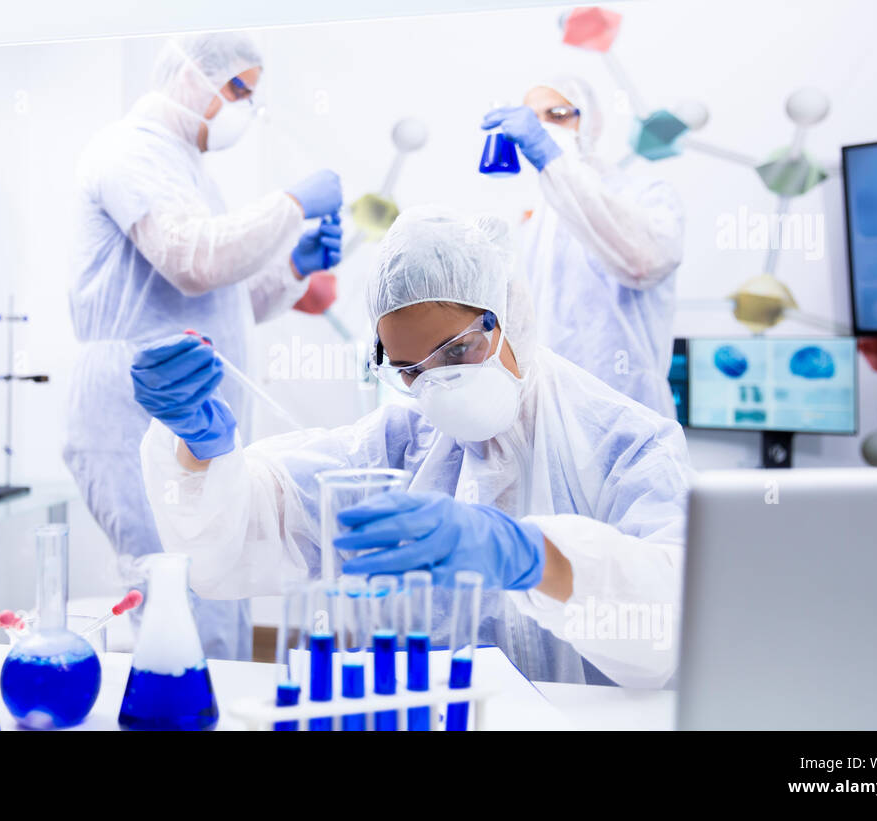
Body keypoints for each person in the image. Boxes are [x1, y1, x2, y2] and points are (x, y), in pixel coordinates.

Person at [131, 207, 693, 687]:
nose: (436, 385)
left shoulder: (628, 443)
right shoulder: (396, 446)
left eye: (455, 353)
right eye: (408, 370)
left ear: (508, 317)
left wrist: (530, 556)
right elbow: (249, 529)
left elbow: (670, 626)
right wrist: (199, 449)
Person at [64, 32, 344, 661]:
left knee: (216, 579)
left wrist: (292, 269)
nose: (245, 105)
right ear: (190, 75)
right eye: (238, 88)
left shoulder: (184, 167)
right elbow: (192, 260)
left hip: (184, 416)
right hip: (131, 408)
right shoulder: (128, 152)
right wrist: (292, 204)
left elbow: (220, 305)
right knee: (178, 591)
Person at [480, 77, 684, 418]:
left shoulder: (645, 195)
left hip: (629, 409)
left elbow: (644, 263)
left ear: (590, 121)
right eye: (532, 120)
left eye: (558, 114)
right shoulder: (534, 219)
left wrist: (551, 158)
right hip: (548, 411)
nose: (543, 128)